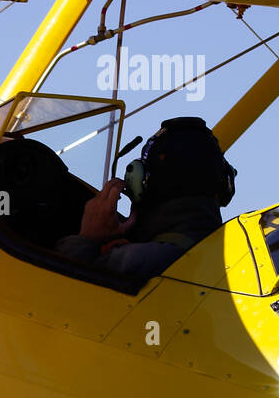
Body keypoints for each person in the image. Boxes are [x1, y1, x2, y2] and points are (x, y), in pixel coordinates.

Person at [55, 117, 236, 282]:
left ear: (140, 182)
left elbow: (59, 292)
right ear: (225, 186)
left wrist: (88, 238)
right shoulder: (228, 260)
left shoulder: (133, 261)